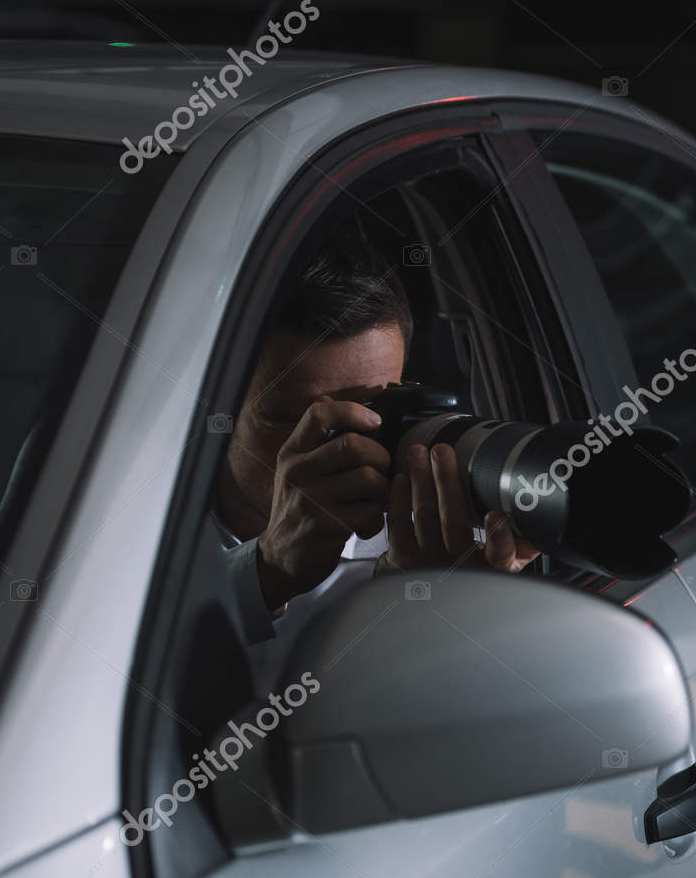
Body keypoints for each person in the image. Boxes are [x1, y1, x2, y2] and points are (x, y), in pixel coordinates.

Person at [213, 228, 539, 650]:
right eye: (293, 421)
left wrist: (446, 619)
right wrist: (266, 571)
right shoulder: (134, 532)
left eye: (374, 415)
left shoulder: (445, 540)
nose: (338, 450)